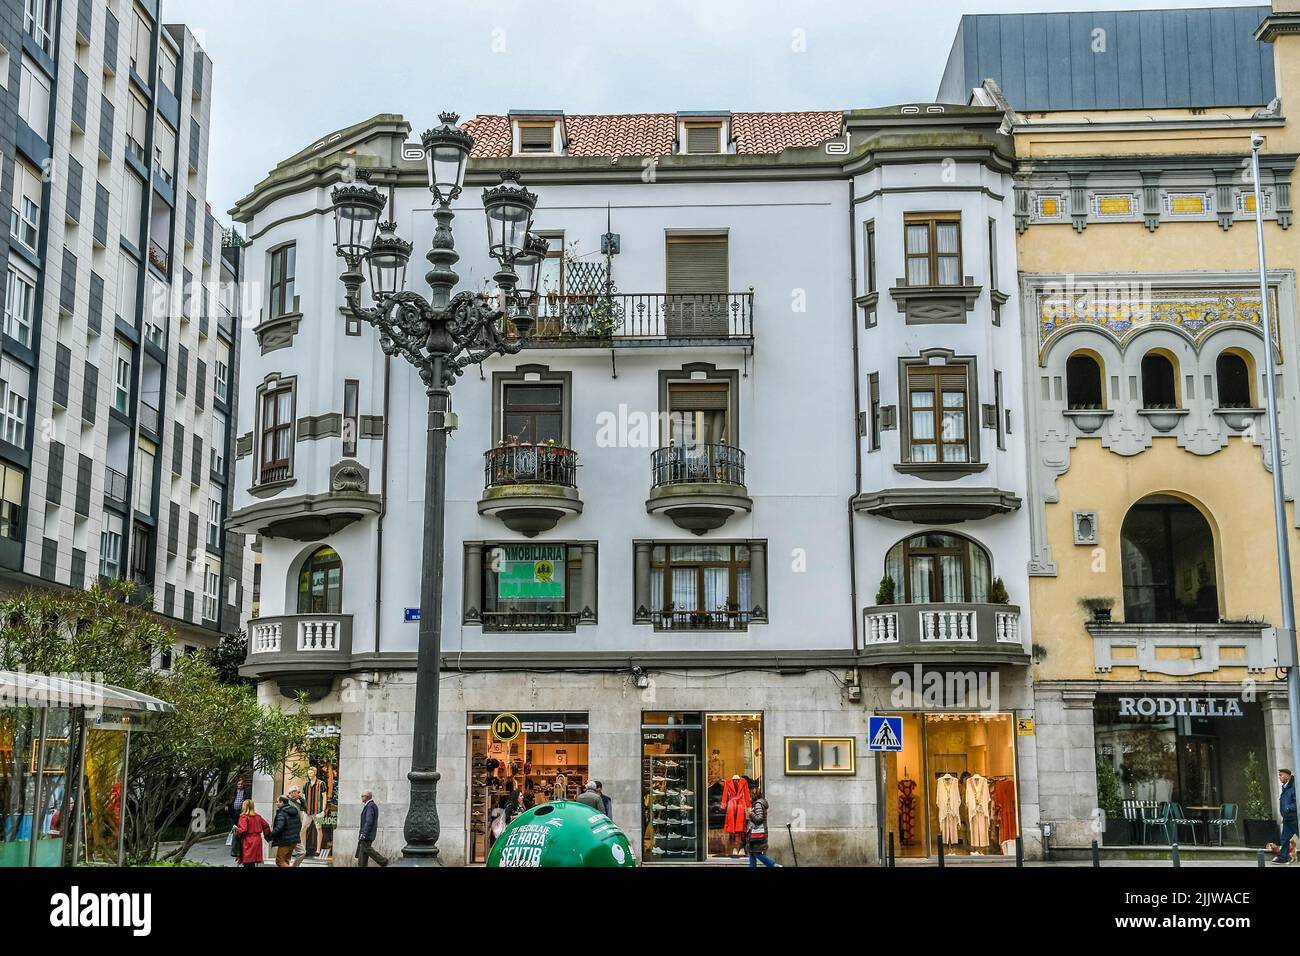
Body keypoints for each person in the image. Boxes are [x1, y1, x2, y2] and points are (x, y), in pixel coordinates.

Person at [745, 786, 780, 868]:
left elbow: (759, 819)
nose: (749, 797)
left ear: (754, 795)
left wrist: (751, 813)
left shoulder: (758, 804)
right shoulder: (758, 804)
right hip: (756, 833)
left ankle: (773, 865)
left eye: (751, 795)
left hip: (757, 833)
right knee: (752, 853)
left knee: (756, 853)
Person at [234, 799, 271, 868]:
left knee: (248, 863)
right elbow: (266, 825)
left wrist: (236, 829)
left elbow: (243, 830)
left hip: (248, 841)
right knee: (252, 862)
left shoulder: (244, 817)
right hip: (257, 840)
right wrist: (268, 837)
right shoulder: (258, 816)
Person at [357, 790, 389, 868]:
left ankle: (383, 861)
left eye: (362, 796)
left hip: (367, 835)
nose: (361, 797)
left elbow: (369, 821)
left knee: (367, 849)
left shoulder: (370, 806)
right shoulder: (370, 805)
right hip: (367, 834)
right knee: (363, 853)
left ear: (367, 797)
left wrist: (364, 833)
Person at [269, 794, 301, 867]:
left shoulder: (282, 812)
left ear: (282, 802)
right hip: (294, 840)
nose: (276, 803)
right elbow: (299, 824)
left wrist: (272, 833)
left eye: (277, 802)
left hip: (285, 841)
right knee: (286, 860)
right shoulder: (294, 810)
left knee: (279, 861)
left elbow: (279, 827)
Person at [1276, 768, 1298, 864]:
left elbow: (1297, 801)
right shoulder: (1285, 787)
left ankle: (1283, 857)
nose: (1280, 777)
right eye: (1279, 775)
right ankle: (1283, 858)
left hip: (1294, 818)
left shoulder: (1294, 786)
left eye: (1281, 775)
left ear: (1287, 776)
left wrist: (1288, 808)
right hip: (1287, 819)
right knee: (1284, 839)